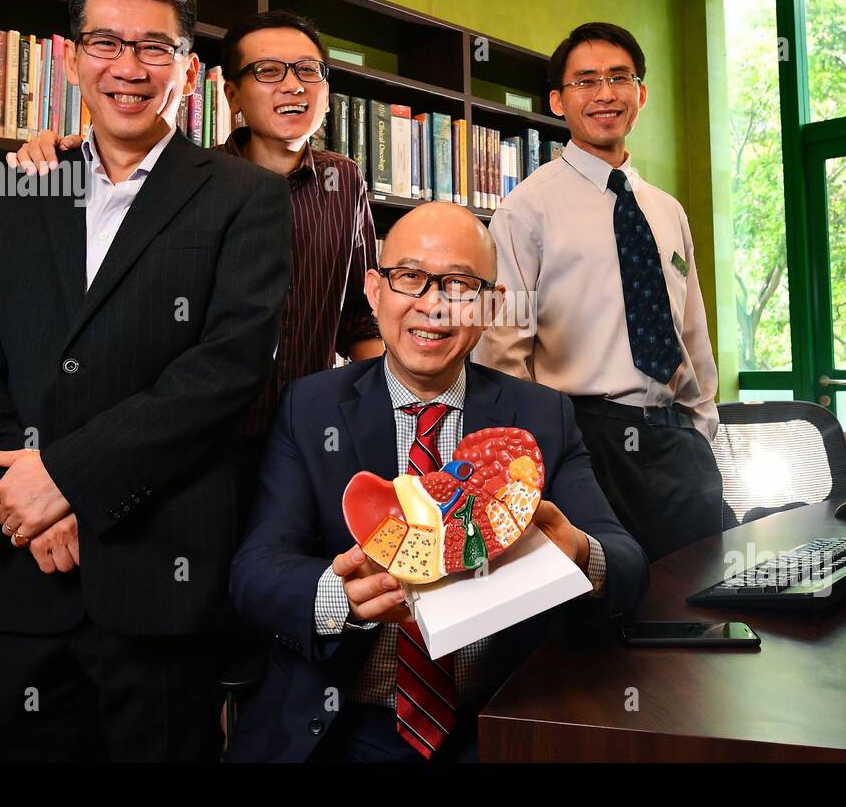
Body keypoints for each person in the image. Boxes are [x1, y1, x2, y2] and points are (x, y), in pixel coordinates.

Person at [0, 0, 291, 761]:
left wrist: (66, 479)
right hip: (25, 572)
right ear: (69, 57)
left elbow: (225, 371)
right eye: (105, 43)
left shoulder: (245, 198)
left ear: (187, 70)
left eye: (154, 48)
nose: (128, 68)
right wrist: (11, 498)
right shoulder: (16, 187)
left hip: (158, 576)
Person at [228, 202, 649, 761]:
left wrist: (578, 552)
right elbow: (255, 571)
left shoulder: (541, 418)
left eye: (459, 285)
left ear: (493, 305)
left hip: (492, 725)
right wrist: (339, 597)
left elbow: (627, 563)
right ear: (375, 291)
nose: (433, 305)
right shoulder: (310, 409)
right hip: (343, 725)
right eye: (409, 278)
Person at [9, 9, 384, 478]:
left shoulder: (343, 180)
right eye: (269, 71)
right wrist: (54, 155)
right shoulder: (188, 183)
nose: (294, 86)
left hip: (308, 443)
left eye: (309, 71)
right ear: (232, 94)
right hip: (201, 450)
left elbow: (360, 321)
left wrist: (381, 425)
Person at [474, 22, 723, 561]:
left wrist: (703, 430)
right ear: (558, 101)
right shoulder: (527, 208)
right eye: (585, 81)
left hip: (676, 439)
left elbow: (692, 330)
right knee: (607, 610)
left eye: (619, 77)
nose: (605, 93)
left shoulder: (667, 210)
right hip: (586, 440)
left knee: (707, 599)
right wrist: (537, 461)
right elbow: (502, 351)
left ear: (641, 94)